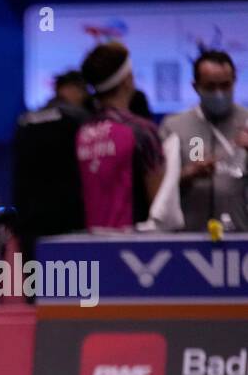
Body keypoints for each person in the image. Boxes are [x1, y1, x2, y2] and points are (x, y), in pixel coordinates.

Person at [75, 42, 165, 230]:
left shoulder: (81, 132)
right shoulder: (142, 130)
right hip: (131, 243)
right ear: (127, 80)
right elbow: (160, 205)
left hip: (89, 241)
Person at [159, 49, 248, 232]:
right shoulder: (174, 127)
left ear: (234, 82)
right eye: (210, 87)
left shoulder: (246, 122)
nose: (219, 93)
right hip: (187, 237)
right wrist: (187, 174)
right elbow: (157, 189)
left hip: (240, 236)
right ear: (195, 86)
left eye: (225, 85)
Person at [13, 70, 90, 253]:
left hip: (29, 223)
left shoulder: (25, 121)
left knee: (35, 273)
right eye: (82, 91)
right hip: (69, 222)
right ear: (73, 89)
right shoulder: (80, 120)